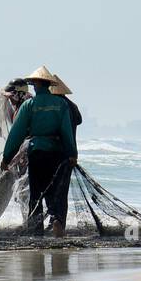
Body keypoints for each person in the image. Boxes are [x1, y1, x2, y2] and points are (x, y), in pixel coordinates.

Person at [0, 66, 76, 236]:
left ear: (36, 84)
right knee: (53, 190)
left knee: (36, 193)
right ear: (49, 84)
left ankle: (36, 230)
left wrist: (7, 157)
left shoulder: (29, 105)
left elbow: (16, 134)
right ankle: (56, 220)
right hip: (56, 153)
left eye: (34, 83)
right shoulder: (61, 104)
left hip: (36, 152)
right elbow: (66, 132)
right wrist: (72, 154)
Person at [47, 75, 83, 233]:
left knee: (49, 188)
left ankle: (53, 219)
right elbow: (80, 120)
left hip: (54, 153)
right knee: (62, 190)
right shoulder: (73, 106)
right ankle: (60, 222)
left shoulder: (57, 107)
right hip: (69, 154)